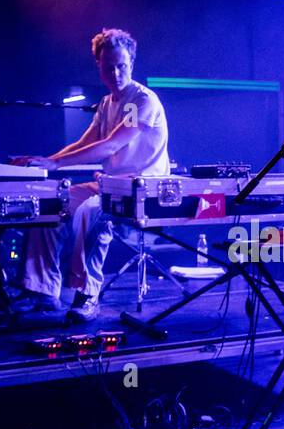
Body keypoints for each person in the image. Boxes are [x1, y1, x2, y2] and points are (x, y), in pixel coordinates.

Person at [11, 28, 170, 322]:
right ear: (98, 65)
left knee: (91, 212)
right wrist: (47, 161)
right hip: (110, 186)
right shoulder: (107, 104)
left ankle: (88, 296)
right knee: (50, 202)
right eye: (108, 66)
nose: (116, 72)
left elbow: (110, 144)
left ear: (132, 63)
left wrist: (55, 165)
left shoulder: (139, 101)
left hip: (141, 192)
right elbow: (86, 143)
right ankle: (43, 291)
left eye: (122, 65)